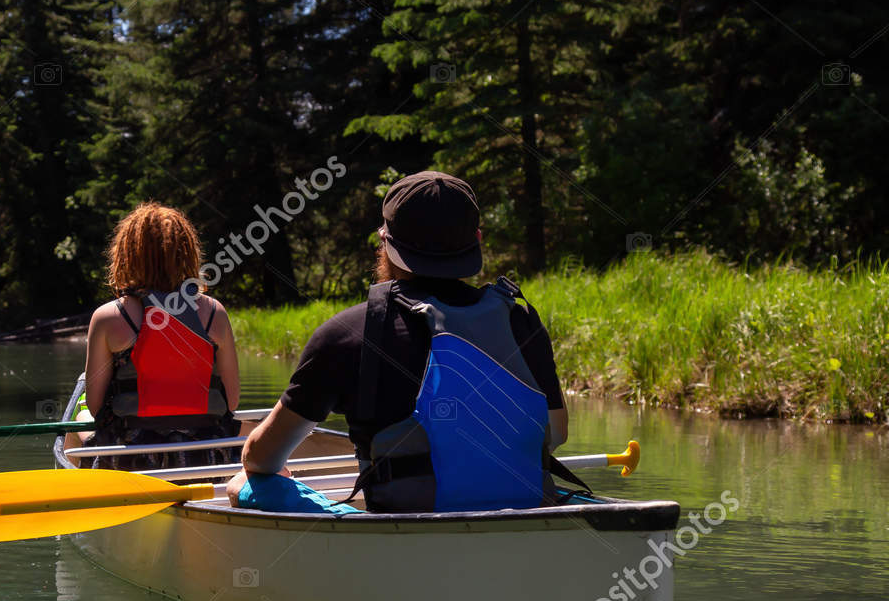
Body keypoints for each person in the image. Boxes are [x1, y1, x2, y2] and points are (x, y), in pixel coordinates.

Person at [233, 171, 570, 513]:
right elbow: (555, 434)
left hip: (403, 527)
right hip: (523, 512)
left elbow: (263, 458)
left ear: (384, 240)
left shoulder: (348, 332)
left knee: (244, 481)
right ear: (477, 240)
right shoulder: (521, 321)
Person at [80, 202, 240, 469]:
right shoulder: (214, 312)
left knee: (82, 416)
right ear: (187, 254)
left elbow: (97, 408)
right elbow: (231, 401)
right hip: (206, 457)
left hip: (133, 460)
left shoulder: (108, 317)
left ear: (127, 255)